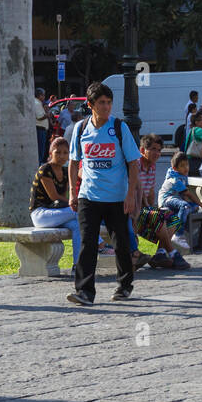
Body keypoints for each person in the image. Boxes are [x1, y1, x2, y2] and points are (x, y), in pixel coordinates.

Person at [66, 82, 139, 305]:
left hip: (116, 197)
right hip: (88, 196)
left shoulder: (119, 128)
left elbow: (133, 162)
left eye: (109, 102)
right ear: (90, 105)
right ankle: (85, 291)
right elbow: (73, 162)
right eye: (101, 103)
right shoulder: (80, 129)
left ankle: (125, 285)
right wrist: (72, 192)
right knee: (88, 244)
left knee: (121, 244)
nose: (106, 107)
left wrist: (130, 195)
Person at [132, 134, 191, 269]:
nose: (157, 153)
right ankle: (172, 252)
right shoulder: (135, 165)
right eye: (153, 149)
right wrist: (150, 210)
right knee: (158, 217)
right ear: (142, 150)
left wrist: (154, 208)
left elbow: (151, 193)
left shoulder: (151, 167)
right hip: (133, 212)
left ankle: (160, 252)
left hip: (145, 211)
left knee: (174, 218)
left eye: (159, 150)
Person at [31, 136, 82, 277]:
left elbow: (64, 200)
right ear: (50, 153)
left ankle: (77, 266)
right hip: (41, 215)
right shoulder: (45, 169)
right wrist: (74, 203)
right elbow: (55, 197)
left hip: (57, 214)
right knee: (80, 213)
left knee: (77, 225)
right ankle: (101, 245)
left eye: (65, 153)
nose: (61, 156)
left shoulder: (66, 172)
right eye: (57, 152)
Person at [183, 111, 202, 176]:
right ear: (196, 122)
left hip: (189, 162)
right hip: (195, 162)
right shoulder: (198, 130)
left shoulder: (193, 130)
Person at [33, 88, 51, 164]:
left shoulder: (38, 103)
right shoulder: (36, 103)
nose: (44, 97)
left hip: (41, 129)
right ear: (40, 95)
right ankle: (39, 164)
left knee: (42, 149)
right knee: (40, 149)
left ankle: (40, 162)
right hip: (40, 129)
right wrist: (47, 115)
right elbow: (39, 117)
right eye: (43, 95)